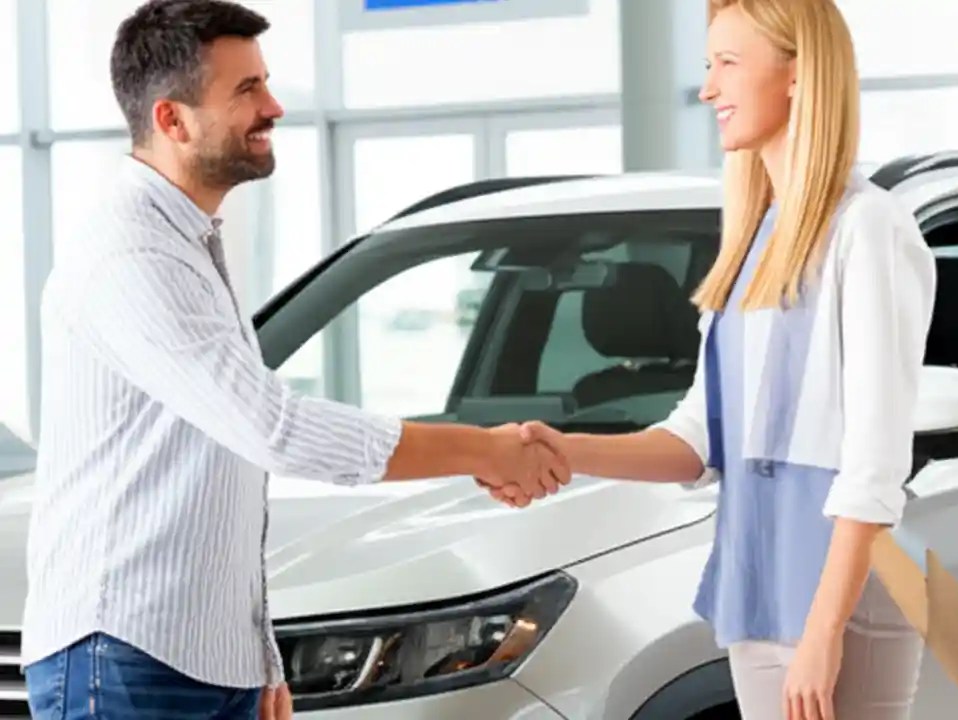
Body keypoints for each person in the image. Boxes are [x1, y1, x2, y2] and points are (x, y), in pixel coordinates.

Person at [20, 1, 565, 718]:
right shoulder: (133, 257)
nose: (272, 106)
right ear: (171, 119)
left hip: (195, 660)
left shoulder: (185, 245)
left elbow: (220, 483)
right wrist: (483, 451)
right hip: (124, 658)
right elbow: (274, 430)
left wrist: (256, 656)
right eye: (245, 90)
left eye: (265, 83)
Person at [501, 1, 937, 718]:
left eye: (726, 64)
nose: (707, 90)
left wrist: (824, 632)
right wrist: (564, 449)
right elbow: (700, 440)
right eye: (709, 67)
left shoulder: (869, 227)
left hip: (841, 591)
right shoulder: (750, 241)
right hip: (758, 577)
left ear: (799, 74)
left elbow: (874, 458)